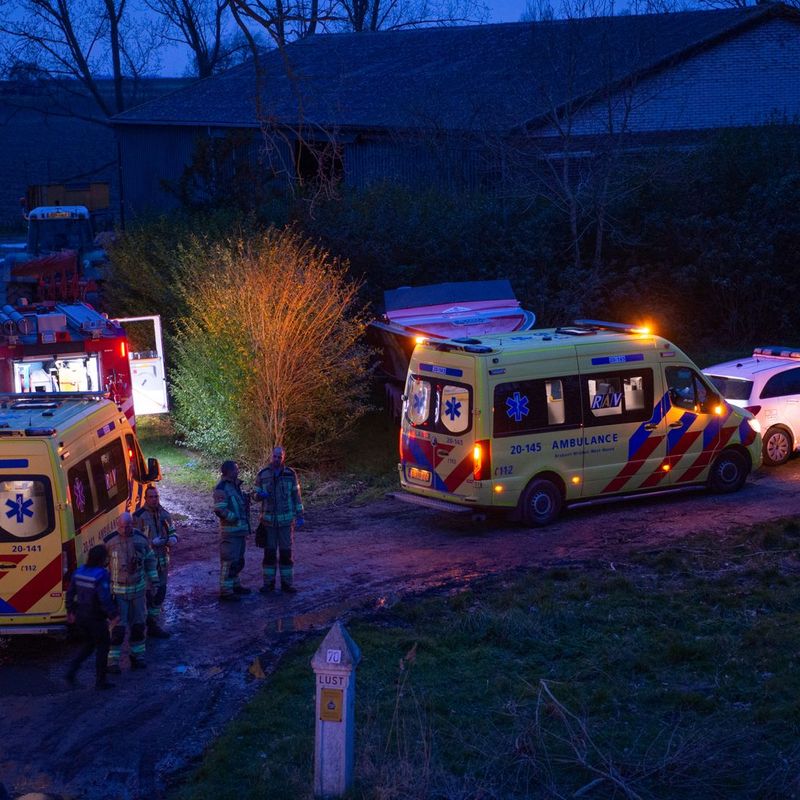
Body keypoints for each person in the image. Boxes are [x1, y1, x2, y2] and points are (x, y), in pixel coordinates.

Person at [103, 511, 159, 672]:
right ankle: (112, 662)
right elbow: (102, 566)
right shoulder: (109, 541)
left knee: (138, 626)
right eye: (121, 526)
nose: (124, 530)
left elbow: (150, 560)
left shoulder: (141, 539)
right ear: (117, 525)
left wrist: (154, 580)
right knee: (118, 630)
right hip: (118, 593)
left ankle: (137, 656)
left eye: (127, 526)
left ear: (132, 525)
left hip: (138, 592)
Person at [65, 544, 118, 690]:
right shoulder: (101, 574)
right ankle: (101, 681)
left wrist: (70, 611)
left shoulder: (79, 571)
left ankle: (71, 670)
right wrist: (113, 615)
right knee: (103, 647)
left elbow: (70, 593)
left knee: (88, 645)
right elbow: (104, 598)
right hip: (95, 618)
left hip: (81, 616)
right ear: (102, 559)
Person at [254, 446, 304, 595]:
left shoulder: (290, 474)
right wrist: (259, 496)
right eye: (275, 456)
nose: (277, 459)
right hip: (268, 523)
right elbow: (254, 496)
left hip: (286, 524)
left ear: (284, 457)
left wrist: (300, 514)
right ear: (271, 456)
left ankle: (287, 585)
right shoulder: (262, 475)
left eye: (279, 457)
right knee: (269, 556)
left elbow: (296, 495)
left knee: (286, 555)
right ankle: (268, 585)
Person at [133, 485, 178, 639]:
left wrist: (173, 539)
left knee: (161, 592)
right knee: (148, 594)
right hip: (147, 563)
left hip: (162, 560)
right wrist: (152, 542)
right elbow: (134, 541)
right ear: (145, 498)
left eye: (156, 496)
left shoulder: (165, 514)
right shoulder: (138, 516)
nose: (153, 500)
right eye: (150, 497)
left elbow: (172, 531)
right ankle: (149, 624)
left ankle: (152, 622)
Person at [213, 460, 251, 601]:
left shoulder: (236, 486)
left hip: (240, 532)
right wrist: (234, 518)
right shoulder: (222, 488)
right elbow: (219, 509)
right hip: (230, 533)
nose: (238, 471)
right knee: (228, 562)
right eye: (236, 469)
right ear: (228, 471)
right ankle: (226, 591)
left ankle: (235, 585)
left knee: (238, 561)